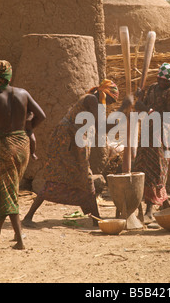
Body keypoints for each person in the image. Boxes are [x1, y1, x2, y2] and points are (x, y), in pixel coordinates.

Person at [23, 79, 132, 227]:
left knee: (79, 178)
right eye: (110, 100)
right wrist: (122, 108)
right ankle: (96, 220)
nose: (108, 104)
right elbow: (101, 127)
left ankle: (95, 219)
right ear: (103, 94)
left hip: (74, 141)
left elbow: (103, 129)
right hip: (66, 142)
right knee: (75, 177)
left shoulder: (95, 102)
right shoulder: (91, 99)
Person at [0, 60, 46, 249]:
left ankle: (19, 239)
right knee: (6, 188)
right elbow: (41, 115)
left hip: (4, 146)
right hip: (22, 146)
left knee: (7, 191)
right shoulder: (23, 93)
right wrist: (27, 130)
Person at [133, 63, 170, 222]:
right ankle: (165, 206)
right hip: (147, 133)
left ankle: (150, 210)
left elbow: (169, 117)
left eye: (165, 80)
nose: (162, 82)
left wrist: (148, 110)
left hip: (161, 135)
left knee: (157, 170)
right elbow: (141, 108)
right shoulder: (152, 89)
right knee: (142, 167)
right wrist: (140, 99)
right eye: (160, 79)